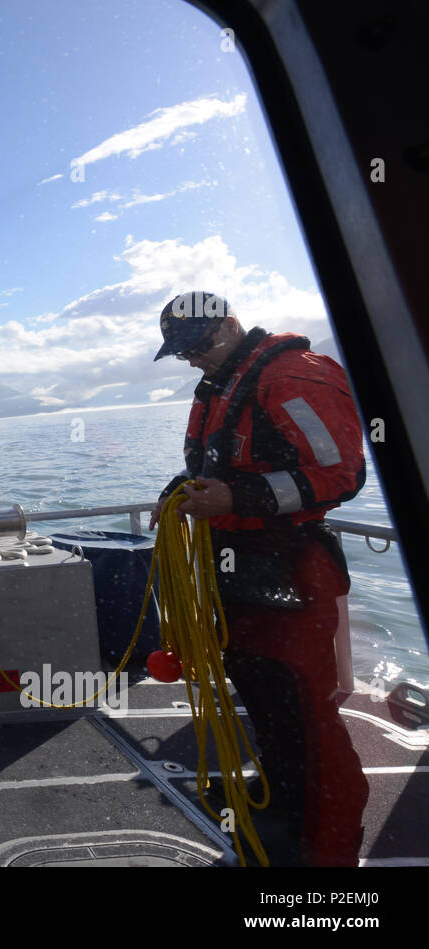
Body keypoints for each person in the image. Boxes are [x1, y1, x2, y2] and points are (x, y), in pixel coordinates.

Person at [149, 291, 369, 866]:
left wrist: (237, 497)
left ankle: (326, 847)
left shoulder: (297, 376)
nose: (192, 360)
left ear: (228, 325)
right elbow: (215, 465)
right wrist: (183, 488)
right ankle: (280, 798)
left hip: (292, 571)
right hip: (239, 572)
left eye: (198, 346)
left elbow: (341, 475)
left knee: (306, 712)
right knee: (262, 696)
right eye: (182, 354)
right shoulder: (222, 385)